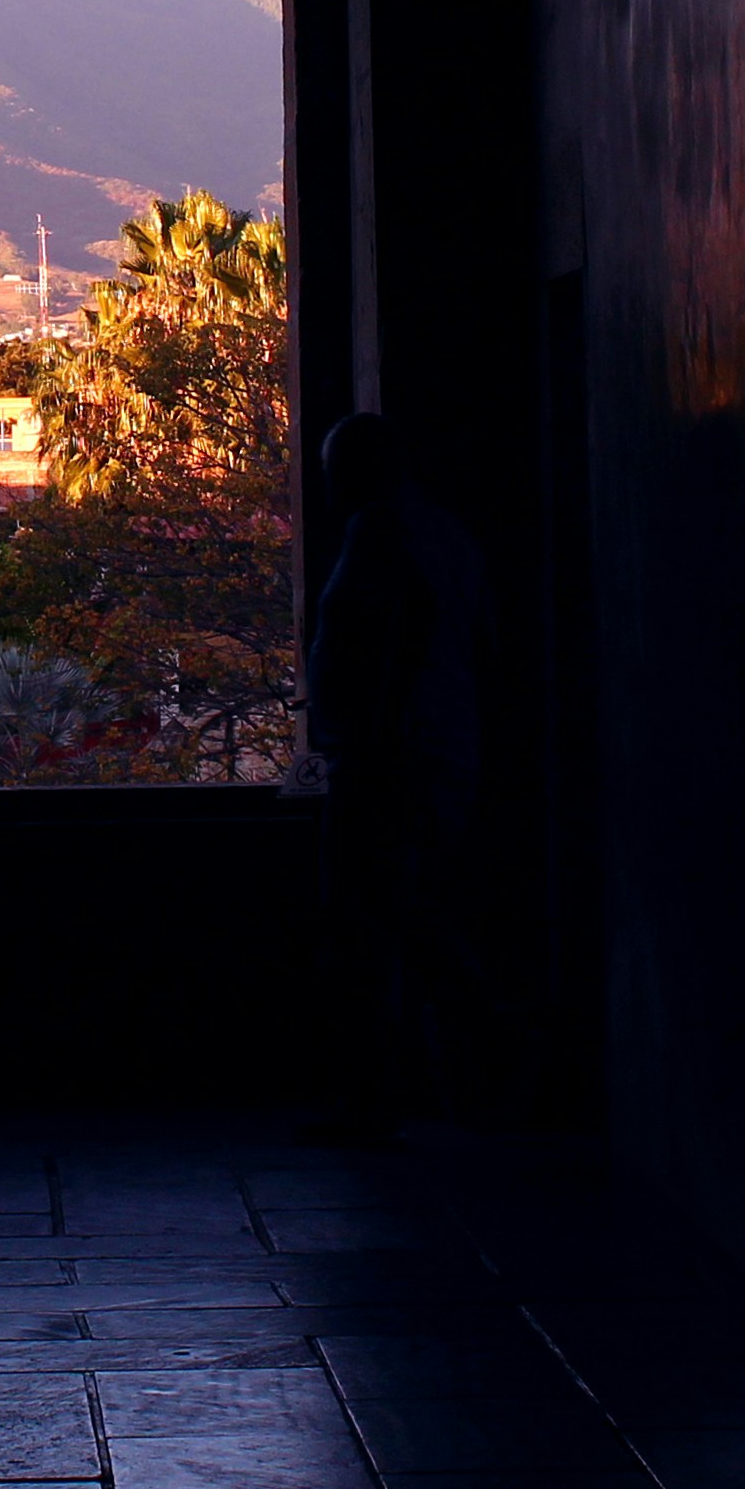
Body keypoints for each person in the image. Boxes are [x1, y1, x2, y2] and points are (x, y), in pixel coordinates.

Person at [300, 412, 488, 1138]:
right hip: (442, 752)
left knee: (367, 928)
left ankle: (375, 1099)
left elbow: (396, 636)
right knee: (419, 914)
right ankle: (477, 1069)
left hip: (389, 760)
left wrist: (373, 738)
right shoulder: (448, 534)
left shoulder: (379, 532)